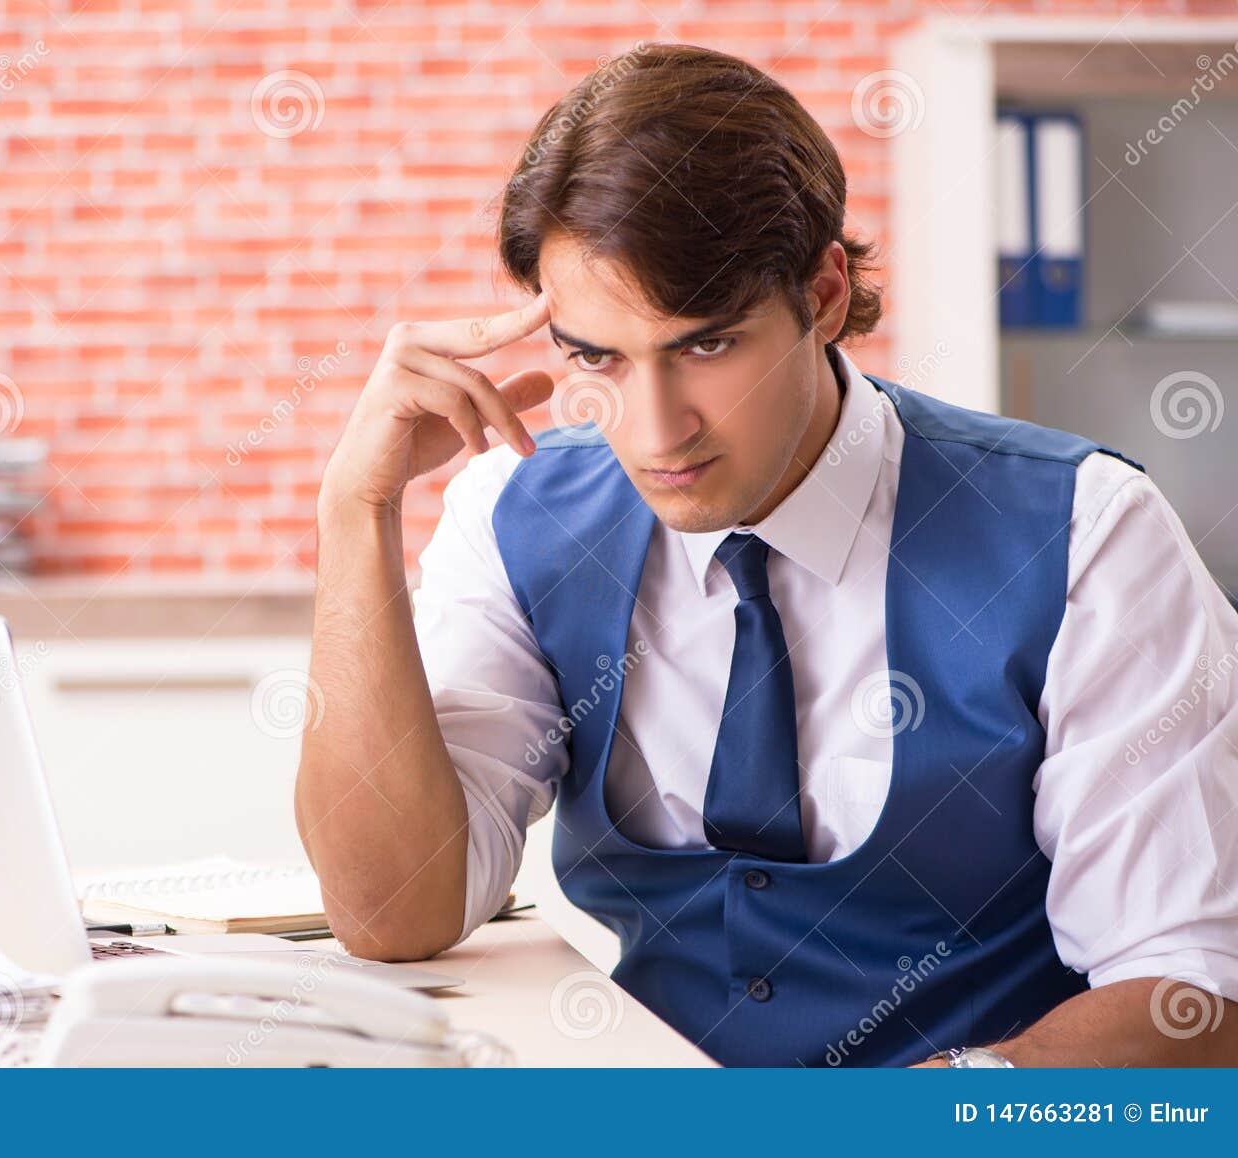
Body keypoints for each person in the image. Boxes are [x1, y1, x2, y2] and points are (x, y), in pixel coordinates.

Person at [295, 43, 1238, 1066]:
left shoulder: (1082, 530)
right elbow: (393, 912)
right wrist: (357, 508)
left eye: (704, 346)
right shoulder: (516, 517)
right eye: (594, 356)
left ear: (823, 295)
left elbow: (1189, 993)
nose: (655, 433)